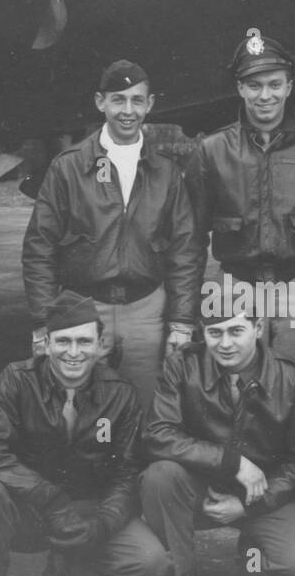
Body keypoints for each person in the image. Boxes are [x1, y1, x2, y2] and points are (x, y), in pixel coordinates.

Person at [0, 292, 171, 576]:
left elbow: (127, 473)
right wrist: (50, 499)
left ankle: (73, 568)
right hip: (32, 509)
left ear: (100, 344)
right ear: (45, 343)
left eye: (84, 341)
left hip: (87, 512)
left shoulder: (120, 393)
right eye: (64, 341)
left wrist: (102, 525)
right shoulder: (16, 380)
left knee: (153, 565)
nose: (74, 352)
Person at [140, 278, 295, 576]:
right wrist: (231, 462)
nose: (224, 344)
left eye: (236, 331)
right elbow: (158, 434)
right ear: (202, 333)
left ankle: (251, 556)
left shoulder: (292, 380)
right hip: (201, 487)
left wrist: (250, 504)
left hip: (264, 491)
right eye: (214, 333)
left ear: (257, 328)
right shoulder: (182, 366)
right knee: (160, 476)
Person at [22, 59, 201, 413]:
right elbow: (39, 248)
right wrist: (44, 323)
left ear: (150, 105)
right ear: (100, 102)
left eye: (137, 100)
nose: (128, 111)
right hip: (83, 309)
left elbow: (186, 251)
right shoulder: (68, 167)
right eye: (118, 100)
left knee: (147, 408)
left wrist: (181, 321)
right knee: (81, 408)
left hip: (145, 309)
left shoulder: (166, 172)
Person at [185, 31, 295, 407]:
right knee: (236, 398)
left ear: (289, 87)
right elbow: (190, 241)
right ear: (240, 89)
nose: (265, 96)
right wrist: (189, 310)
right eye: (254, 85)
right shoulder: (211, 151)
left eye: (275, 85)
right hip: (235, 285)